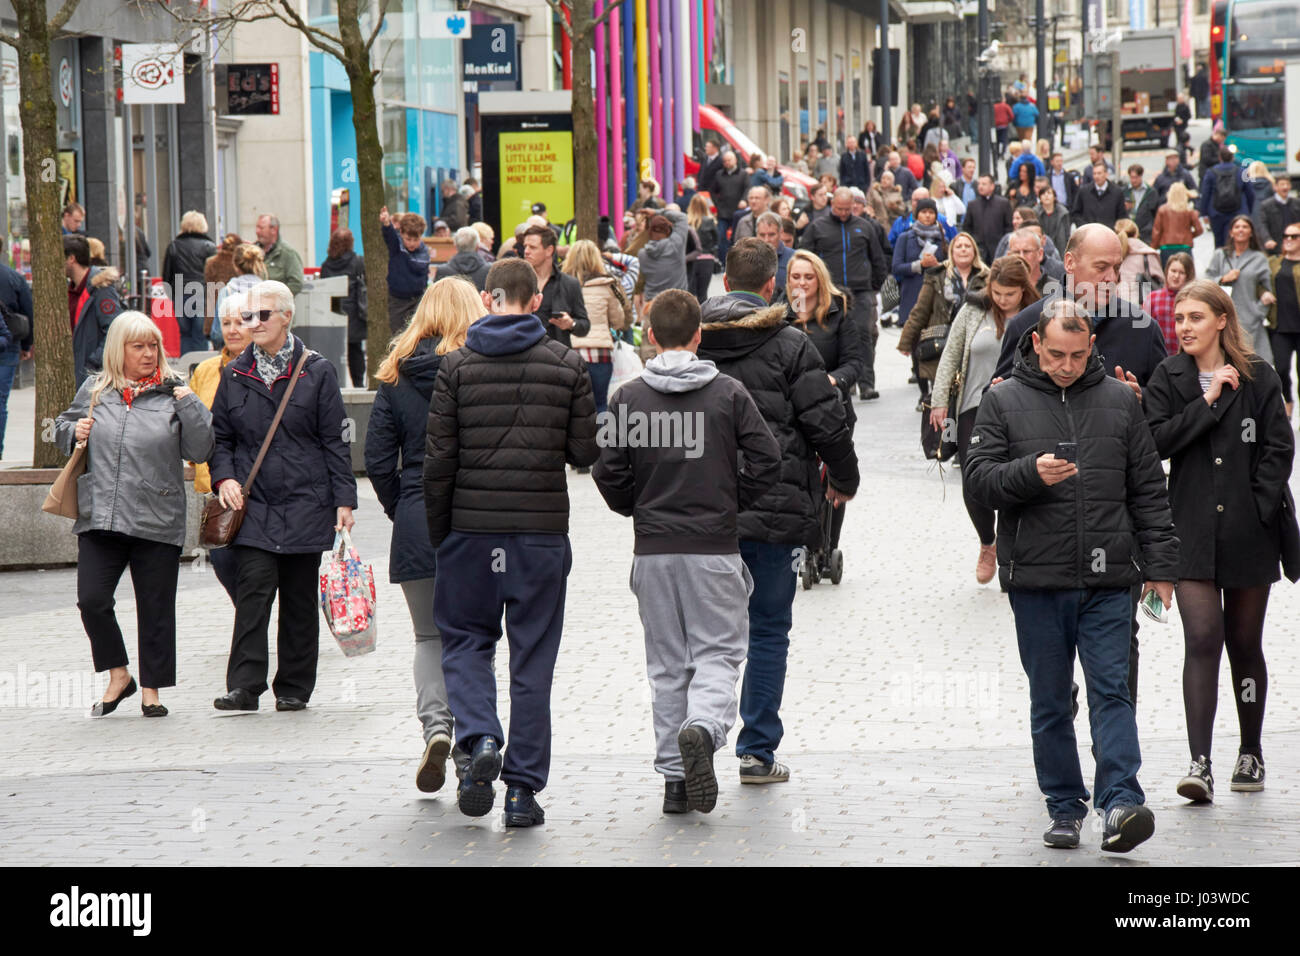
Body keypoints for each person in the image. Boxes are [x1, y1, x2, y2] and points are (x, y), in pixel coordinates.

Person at [965, 298, 1179, 852]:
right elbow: (979, 481)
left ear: (1092, 348)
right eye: (1056, 354)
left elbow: (1149, 491)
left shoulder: (1119, 402)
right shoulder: (1003, 400)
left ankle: (1122, 802)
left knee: (1112, 689)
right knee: (1052, 698)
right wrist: (1028, 475)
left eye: (1078, 355)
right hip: (1037, 580)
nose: (1067, 365)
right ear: (1036, 343)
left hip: (1110, 580)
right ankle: (1064, 806)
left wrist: (1161, 569)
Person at [422, 258, 597, 828]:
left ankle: (478, 739)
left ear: (488, 299)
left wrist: (440, 534)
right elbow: (585, 454)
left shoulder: (455, 367)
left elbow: (438, 463)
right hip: (540, 536)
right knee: (533, 662)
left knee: (466, 643)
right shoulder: (567, 364)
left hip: (471, 534)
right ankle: (522, 792)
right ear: (538, 298)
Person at [592, 289, 779, 815]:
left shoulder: (627, 397)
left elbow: (608, 472)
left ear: (650, 336)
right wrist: (730, 502)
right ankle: (703, 727)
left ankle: (675, 781)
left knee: (667, 666)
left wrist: (639, 507)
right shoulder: (728, 393)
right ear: (699, 336)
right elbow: (767, 458)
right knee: (719, 652)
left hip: (653, 552)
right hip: (713, 546)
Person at [697, 238, 859, 784]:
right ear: (772, 286)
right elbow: (825, 421)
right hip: (777, 507)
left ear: (725, 283)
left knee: (705, 635)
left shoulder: (693, 342)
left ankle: (694, 735)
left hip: (701, 512)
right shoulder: (791, 345)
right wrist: (844, 478)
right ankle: (756, 750)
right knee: (768, 629)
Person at [1144, 280, 1295, 802]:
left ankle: (1250, 751)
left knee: (1244, 645)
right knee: (1202, 640)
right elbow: (1156, 442)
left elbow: (1278, 446)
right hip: (1188, 530)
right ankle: (1199, 761)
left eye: (1195, 318)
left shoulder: (1259, 377)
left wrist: (1258, 504)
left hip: (1249, 534)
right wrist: (1207, 400)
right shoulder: (1169, 376)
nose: (1184, 326)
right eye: (1179, 317)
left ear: (1222, 321)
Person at [55, 311, 214, 719]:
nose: (148, 354)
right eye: (138, 346)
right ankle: (118, 673)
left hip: (156, 515)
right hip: (101, 516)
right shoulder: (95, 389)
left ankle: (152, 690)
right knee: (91, 600)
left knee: (155, 608)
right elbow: (62, 428)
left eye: (153, 346)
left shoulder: (174, 391)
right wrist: (72, 432)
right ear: (118, 350)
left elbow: (200, 449)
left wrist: (189, 400)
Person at [209, 280, 357, 714]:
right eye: (246, 316)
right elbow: (221, 439)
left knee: (298, 597)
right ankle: (245, 686)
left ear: (286, 317)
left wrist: (343, 500)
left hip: (307, 501)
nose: (252, 323)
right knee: (253, 589)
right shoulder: (235, 373)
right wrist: (225, 479)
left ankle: (293, 687)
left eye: (262, 315)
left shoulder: (318, 371)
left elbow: (335, 441)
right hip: (254, 504)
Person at [365, 278, 485, 794]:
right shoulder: (482, 369)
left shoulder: (394, 375)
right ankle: (471, 745)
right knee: (473, 638)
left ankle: (436, 727)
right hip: (476, 519)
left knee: (428, 637)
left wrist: (403, 510)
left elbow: (375, 461)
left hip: (417, 517)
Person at [929, 256, 1037, 583]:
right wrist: (938, 401)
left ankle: (1011, 554)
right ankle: (987, 543)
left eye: (1010, 294)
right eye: (998, 292)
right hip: (974, 406)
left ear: (1023, 290)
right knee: (973, 481)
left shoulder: (1035, 315)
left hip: (1021, 407)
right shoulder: (973, 310)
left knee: (1015, 479)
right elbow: (951, 353)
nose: (1002, 299)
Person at [994, 224, 1168, 390]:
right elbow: (997, 401)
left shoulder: (1143, 327)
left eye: (1116, 268)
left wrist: (1139, 399)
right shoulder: (1026, 324)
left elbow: (1166, 403)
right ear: (1069, 263)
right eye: (1101, 267)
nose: (1111, 278)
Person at [190, 292, 253, 602]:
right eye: (226, 322)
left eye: (240, 321)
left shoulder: (262, 370)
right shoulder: (205, 370)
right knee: (223, 561)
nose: (232, 329)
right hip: (215, 488)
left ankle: (252, 623)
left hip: (254, 488)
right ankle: (249, 619)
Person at [799, 187, 889, 400]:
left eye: (847, 209)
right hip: (831, 291)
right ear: (832, 205)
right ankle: (845, 381)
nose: (843, 213)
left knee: (863, 335)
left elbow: (877, 258)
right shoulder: (817, 227)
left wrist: (876, 284)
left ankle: (867, 383)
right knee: (835, 335)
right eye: (839, 208)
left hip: (861, 290)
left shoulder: (864, 227)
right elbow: (806, 256)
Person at [899, 230, 984, 405]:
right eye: (958, 246)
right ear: (951, 252)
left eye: (967, 246)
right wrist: (906, 341)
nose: (963, 249)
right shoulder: (937, 275)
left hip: (976, 337)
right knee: (944, 390)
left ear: (974, 251)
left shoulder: (986, 276)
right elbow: (920, 310)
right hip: (943, 340)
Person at [564, 238, 632, 418]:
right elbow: (619, 321)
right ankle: (600, 445)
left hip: (569, 352)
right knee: (600, 404)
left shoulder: (562, 285)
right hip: (599, 353)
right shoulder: (607, 284)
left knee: (571, 408)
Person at [1206, 215, 1275, 363]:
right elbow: (1206, 282)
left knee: (1253, 365)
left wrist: (1259, 313)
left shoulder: (1259, 258)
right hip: (1223, 319)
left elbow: (1267, 289)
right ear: (1231, 232)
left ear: (1251, 232)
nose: (1241, 230)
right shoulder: (1220, 255)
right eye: (1237, 227)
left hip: (1251, 321)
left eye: (1245, 227)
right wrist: (1223, 278)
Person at [521, 223, 591, 349]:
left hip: (556, 358)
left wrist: (570, 324)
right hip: (522, 355)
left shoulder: (569, 284)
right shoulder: (516, 282)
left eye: (532, 247)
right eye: (525, 246)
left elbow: (584, 326)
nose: (526, 251)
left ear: (549, 250)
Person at [66, 234, 123, 386]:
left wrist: (93, 362)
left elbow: (114, 329)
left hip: (91, 374)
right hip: (79, 370)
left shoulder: (101, 288)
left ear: (71, 259)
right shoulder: (72, 289)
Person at [161, 211, 217, 356]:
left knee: (184, 335)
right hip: (203, 296)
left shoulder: (174, 246)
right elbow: (213, 276)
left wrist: (173, 296)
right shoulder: (209, 246)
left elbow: (167, 276)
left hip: (181, 295)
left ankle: (186, 370)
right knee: (200, 335)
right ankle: (200, 370)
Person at [317, 229, 368, 388]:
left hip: (334, 312)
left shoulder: (326, 265)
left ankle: (334, 384)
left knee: (334, 350)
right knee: (355, 351)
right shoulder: (358, 261)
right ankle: (359, 383)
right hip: (354, 313)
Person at [0, 238, 33, 459]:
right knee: (1, 399)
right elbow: (28, 311)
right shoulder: (13, 277)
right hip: (8, 345)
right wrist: (26, 345)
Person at [380, 207, 430, 335]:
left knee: (419, 335)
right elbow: (389, 235)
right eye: (408, 239)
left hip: (418, 298)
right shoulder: (397, 247)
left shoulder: (423, 252)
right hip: (398, 300)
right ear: (401, 233)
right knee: (398, 335)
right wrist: (386, 223)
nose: (412, 243)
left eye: (416, 240)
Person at [1268, 225, 1300, 418]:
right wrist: (1263, 293)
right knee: (1280, 368)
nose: (1289, 239)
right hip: (1279, 325)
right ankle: (1288, 399)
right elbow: (1260, 282)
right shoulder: (1273, 262)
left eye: (1294, 236)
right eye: (1285, 235)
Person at [213, 243, 267, 348]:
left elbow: (217, 332)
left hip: (234, 352)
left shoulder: (226, 292)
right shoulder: (268, 292)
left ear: (235, 266)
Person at [1145, 251, 1195, 355]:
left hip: (1185, 356)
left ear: (1188, 276)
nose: (1176, 276)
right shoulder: (1153, 298)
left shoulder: (1193, 300)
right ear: (1167, 271)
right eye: (1173, 271)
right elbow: (1144, 332)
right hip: (1158, 356)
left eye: (1182, 273)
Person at [1200, 147, 1251, 247]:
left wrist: (1204, 213)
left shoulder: (1211, 173)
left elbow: (1205, 193)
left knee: (1219, 243)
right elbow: (1250, 192)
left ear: (1220, 158)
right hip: (1237, 211)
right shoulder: (1241, 172)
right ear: (1232, 157)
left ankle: (1221, 261)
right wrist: (1248, 209)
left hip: (1216, 213)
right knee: (1236, 242)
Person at [1152, 182, 1203, 269]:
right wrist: (1190, 235)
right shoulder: (1189, 211)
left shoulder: (1162, 210)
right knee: (1186, 276)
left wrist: (1153, 247)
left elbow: (1157, 231)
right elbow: (1199, 229)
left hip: (1166, 247)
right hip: (1185, 247)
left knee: (1167, 275)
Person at [965, 174, 1014, 264]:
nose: (980, 187)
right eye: (979, 184)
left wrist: (1004, 244)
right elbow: (967, 228)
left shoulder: (1003, 203)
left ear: (992, 186)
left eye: (984, 184)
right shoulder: (972, 205)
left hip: (998, 249)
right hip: (979, 250)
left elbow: (1009, 227)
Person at [1115, 219, 1165, 305]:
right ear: (1136, 234)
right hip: (1142, 302)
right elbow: (1160, 280)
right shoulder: (1147, 253)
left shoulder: (1112, 254)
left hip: (1117, 302)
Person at [203, 233, 242, 340]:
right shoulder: (238, 263)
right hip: (237, 312)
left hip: (215, 311)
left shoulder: (211, 262)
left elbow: (210, 292)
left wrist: (208, 326)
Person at [711, 151, 748, 262]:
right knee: (721, 237)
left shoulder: (743, 174)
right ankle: (723, 261)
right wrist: (717, 204)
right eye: (725, 161)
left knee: (737, 238)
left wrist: (743, 200)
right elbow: (712, 191)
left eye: (729, 160)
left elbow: (748, 188)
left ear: (735, 160)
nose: (727, 163)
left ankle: (737, 260)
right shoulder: (719, 175)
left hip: (738, 212)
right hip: (723, 211)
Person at [254, 214, 303, 295]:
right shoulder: (253, 251)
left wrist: (276, 298)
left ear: (274, 230)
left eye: (261, 228)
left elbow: (296, 283)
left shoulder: (288, 253)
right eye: (256, 227)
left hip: (277, 306)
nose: (257, 231)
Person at [1254, 173, 1300, 254]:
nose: (1285, 187)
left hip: (1295, 247)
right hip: (1275, 247)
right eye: (1282, 184)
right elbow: (1262, 225)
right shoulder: (1266, 205)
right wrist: (1267, 239)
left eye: (1287, 184)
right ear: (1275, 187)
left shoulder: (1296, 203)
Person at [1071, 162, 1126, 230]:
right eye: (1094, 173)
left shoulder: (1117, 192)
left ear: (1106, 174)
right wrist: (1084, 227)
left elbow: (1122, 216)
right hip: (1089, 234)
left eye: (1099, 173)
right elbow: (1076, 214)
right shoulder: (1084, 192)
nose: (1096, 176)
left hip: (1109, 234)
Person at [434, 226, 490, 291]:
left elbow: (436, 298)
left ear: (455, 245)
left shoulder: (442, 271)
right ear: (477, 246)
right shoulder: (489, 270)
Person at [1124, 166, 1160, 246]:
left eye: (1136, 177)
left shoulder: (1151, 192)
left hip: (1146, 234)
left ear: (1141, 176)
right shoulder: (1124, 191)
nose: (1133, 180)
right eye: (1131, 177)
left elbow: (1155, 213)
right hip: (1128, 232)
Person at [1034, 186, 1072, 258]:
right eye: (1043, 194)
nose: (1046, 195)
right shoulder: (1035, 213)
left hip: (1060, 246)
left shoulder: (1063, 213)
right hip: (1042, 247)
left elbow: (1067, 234)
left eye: (1049, 193)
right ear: (1040, 198)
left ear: (1054, 197)